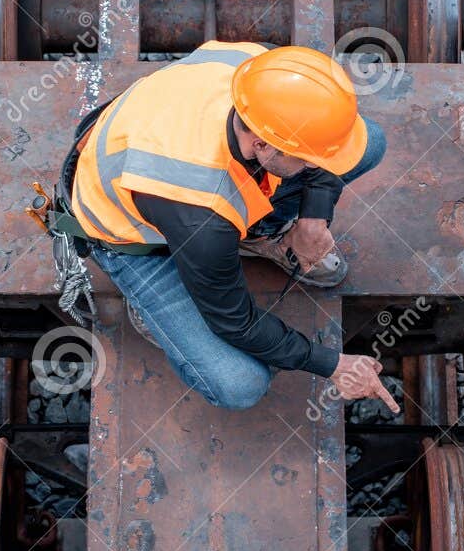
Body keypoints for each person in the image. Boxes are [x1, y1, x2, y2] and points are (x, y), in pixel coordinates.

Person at [58, 40, 400, 414]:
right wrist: (334, 365)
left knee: (369, 142)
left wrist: (312, 222)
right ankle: (151, 309)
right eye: (305, 158)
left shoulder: (259, 67)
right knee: (240, 384)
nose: (314, 165)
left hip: (189, 195)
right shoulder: (202, 217)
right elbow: (237, 325)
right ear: (262, 145)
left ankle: (256, 233)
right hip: (135, 242)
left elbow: (323, 156)